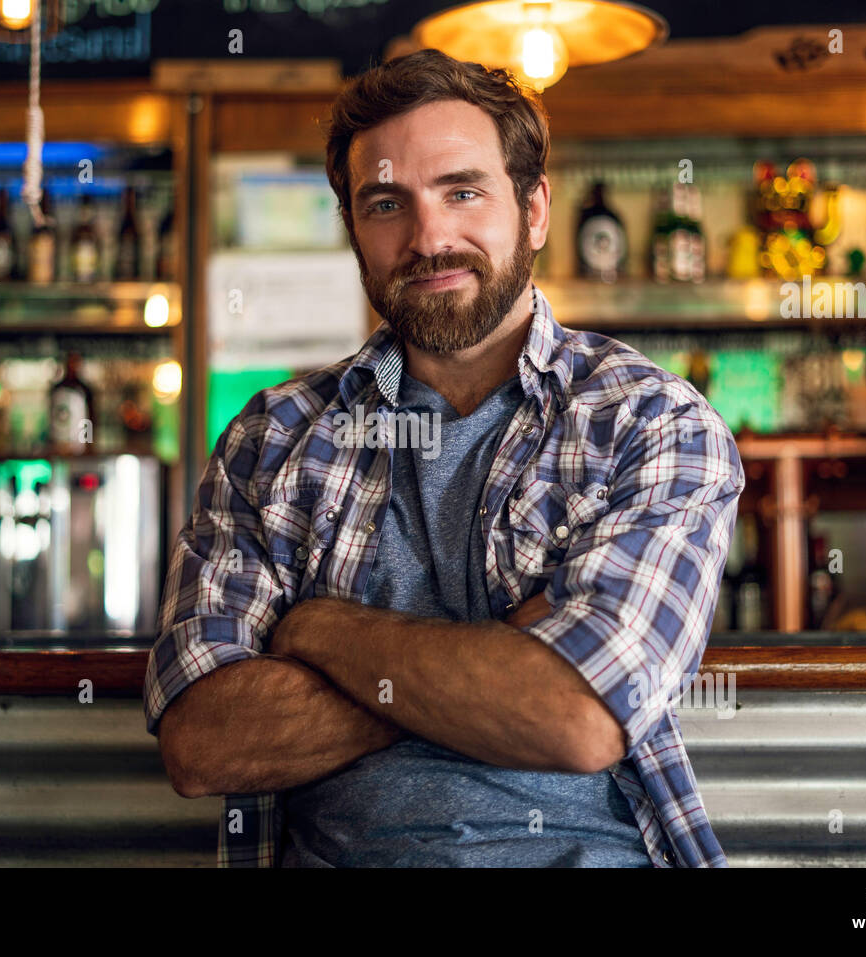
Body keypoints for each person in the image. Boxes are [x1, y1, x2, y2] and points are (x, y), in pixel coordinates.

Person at [143, 48, 744, 867]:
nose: (430, 238)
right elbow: (205, 742)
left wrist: (318, 630)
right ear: (353, 226)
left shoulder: (651, 422)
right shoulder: (272, 438)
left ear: (534, 209)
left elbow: (578, 714)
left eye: (463, 191)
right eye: (387, 203)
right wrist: (502, 650)